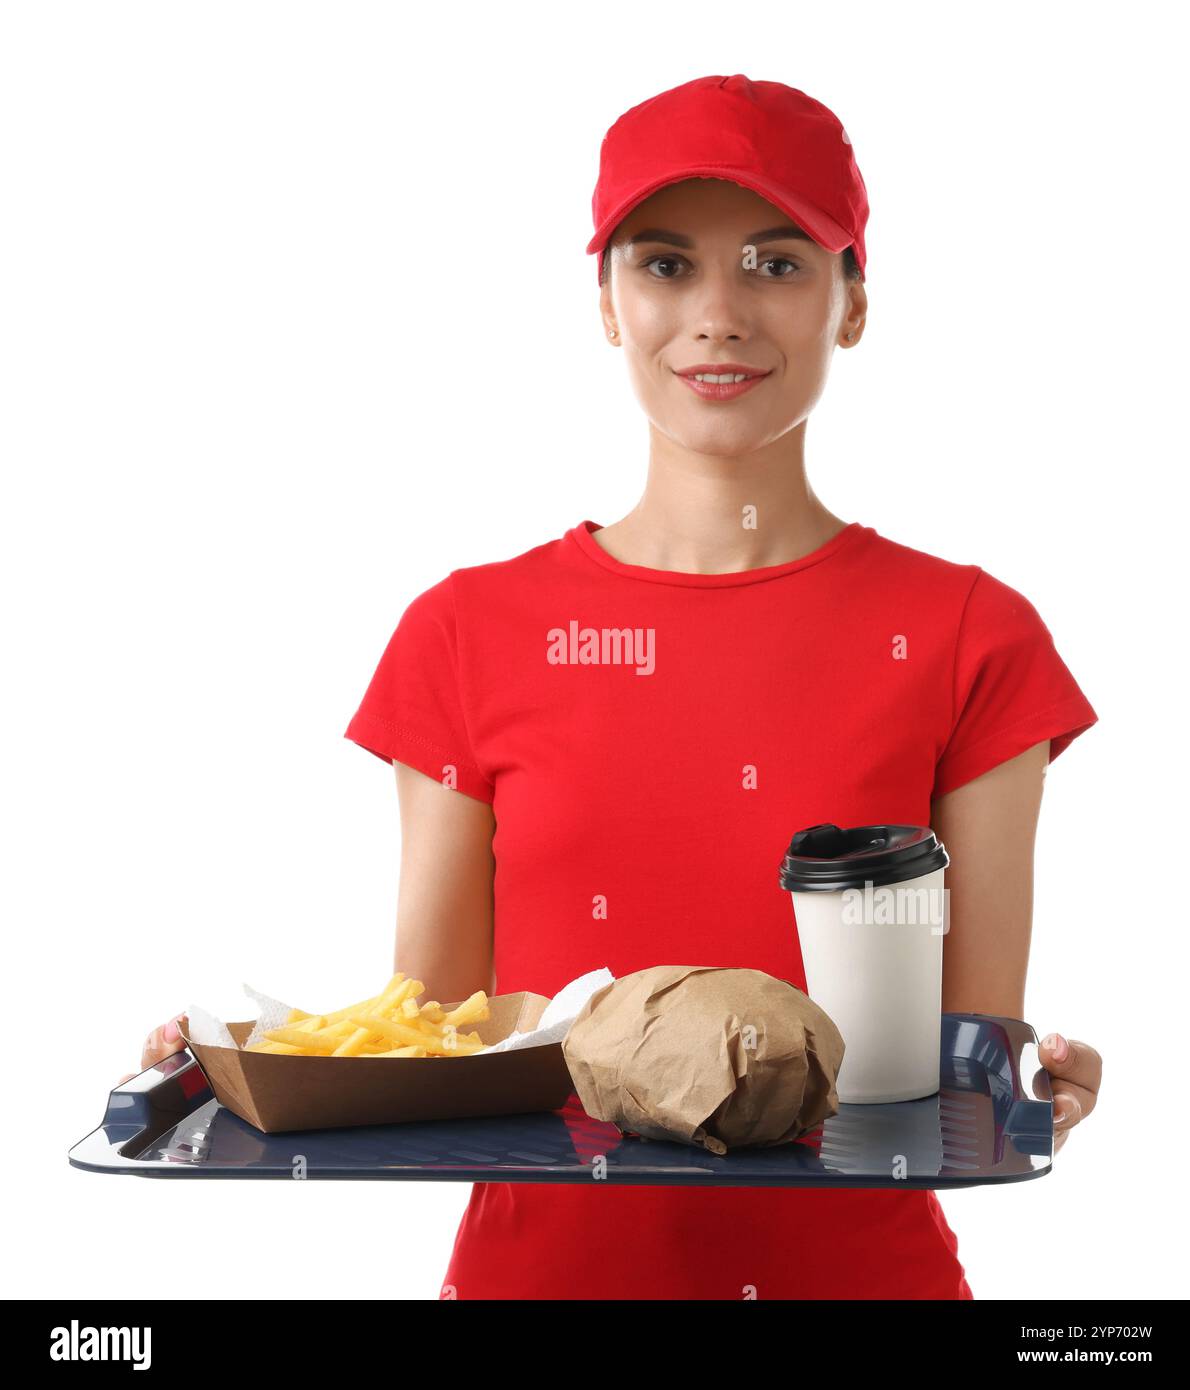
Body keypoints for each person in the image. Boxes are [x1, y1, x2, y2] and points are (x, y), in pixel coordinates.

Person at [135, 74, 1104, 1300]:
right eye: (661, 264)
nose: (715, 313)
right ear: (602, 302)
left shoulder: (971, 637)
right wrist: (236, 1075)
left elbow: (963, 1061)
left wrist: (1040, 1083)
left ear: (852, 300)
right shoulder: (465, 634)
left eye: (774, 262)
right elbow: (443, 1036)